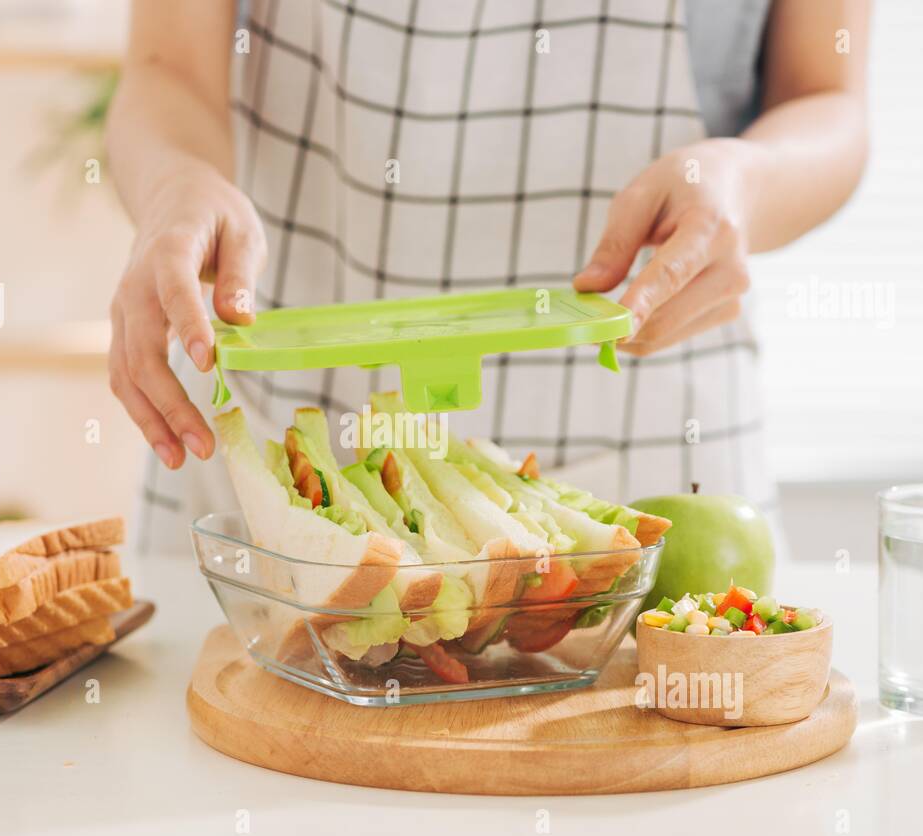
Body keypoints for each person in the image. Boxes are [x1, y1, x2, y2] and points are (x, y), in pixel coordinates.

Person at [105, 0, 869, 552]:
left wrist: (745, 182)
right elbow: (167, 68)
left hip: (649, 440)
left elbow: (828, 97)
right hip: (273, 444)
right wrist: (174, 183)